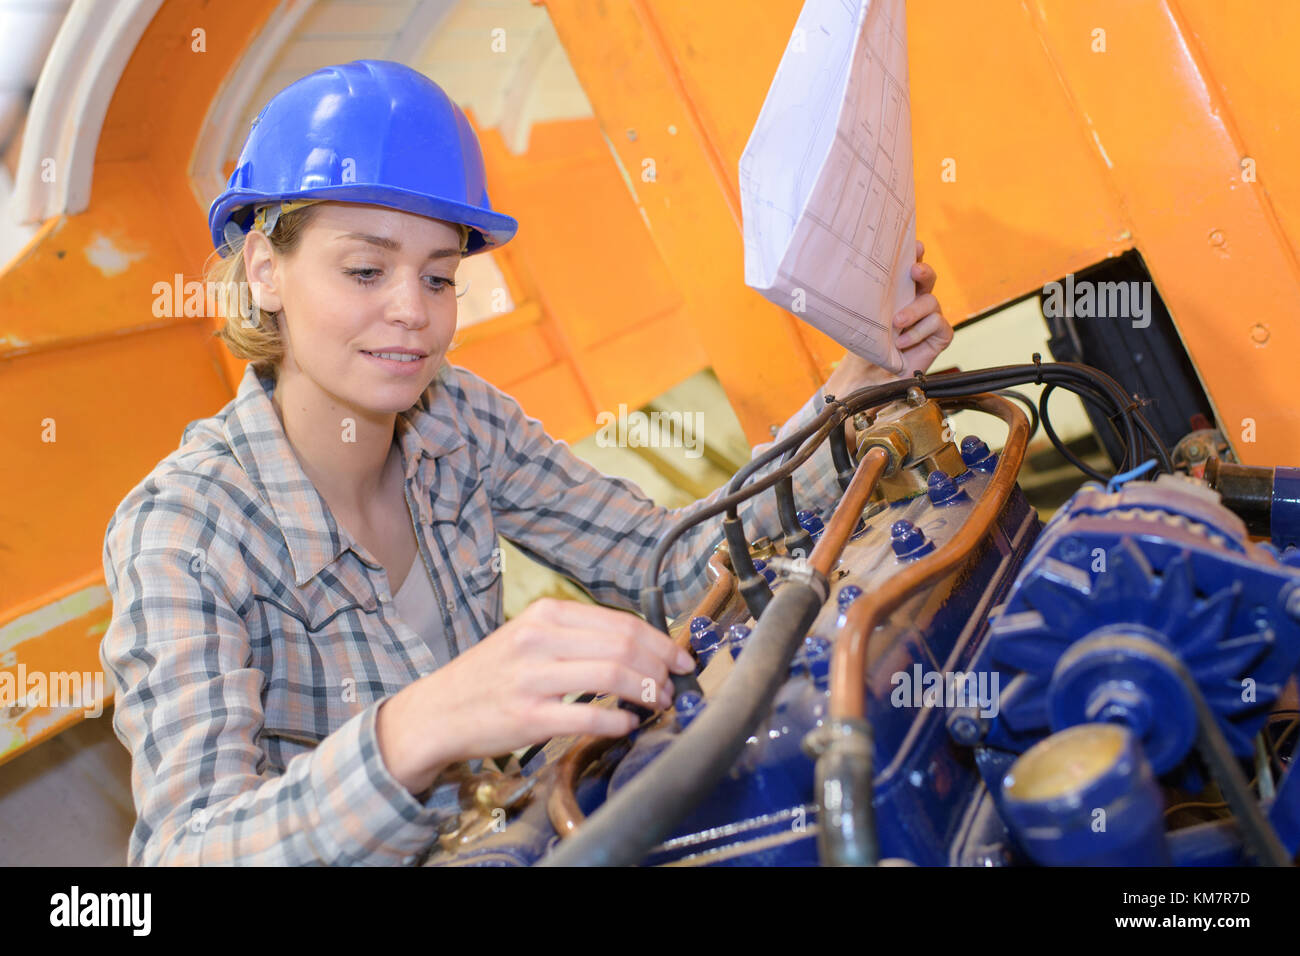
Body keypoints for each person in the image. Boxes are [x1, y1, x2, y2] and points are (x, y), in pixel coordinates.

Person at [99, 59, 952, 866]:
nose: (412, 314)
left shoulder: (458, 419)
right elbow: (185, 852)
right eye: (365, 269)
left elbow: (669, 564)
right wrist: (413, 729)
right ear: (264, 272)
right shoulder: (182, 531)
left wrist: (854, 394)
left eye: (438, 279)